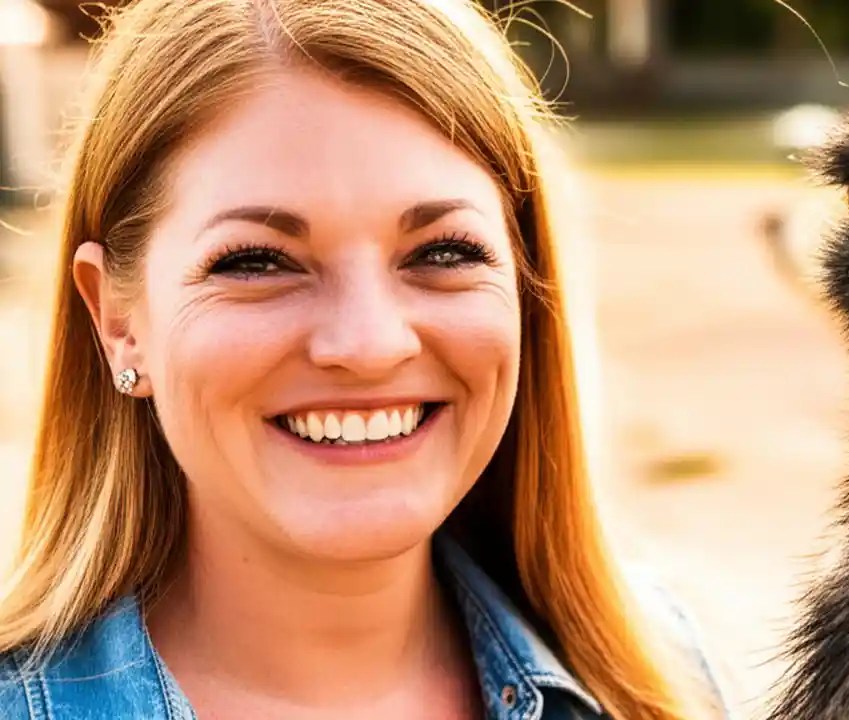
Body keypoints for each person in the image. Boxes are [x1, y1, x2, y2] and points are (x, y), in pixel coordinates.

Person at [0, 1, 727, 718]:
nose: (369, 344)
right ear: (117, 319)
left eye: (444, 252)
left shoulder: (662, 675)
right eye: (256, 262)